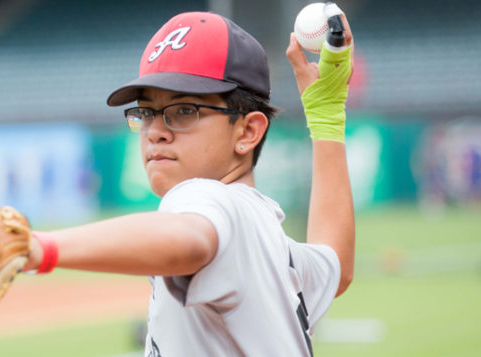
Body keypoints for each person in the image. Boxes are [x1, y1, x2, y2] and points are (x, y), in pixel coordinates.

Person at [22, 7, 355, 357]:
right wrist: (327, 121)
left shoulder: (207, 198)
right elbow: (336, 266)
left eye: (184, 111)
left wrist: (37, 248)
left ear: (248, 131)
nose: (156, 132)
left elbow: (190, 240)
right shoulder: (263, 233)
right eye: (146, 112)